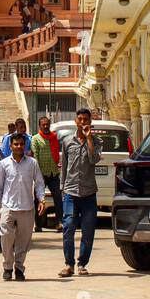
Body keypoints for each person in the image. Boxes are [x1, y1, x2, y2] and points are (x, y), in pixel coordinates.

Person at [0, 131, 45, 281]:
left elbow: (39, 183)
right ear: (11, 146)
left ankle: (19, 268)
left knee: (23, 242)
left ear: (25, 145)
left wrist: (42, 200)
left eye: (21, 144)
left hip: (27, 208)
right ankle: (7, 267)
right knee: (6, 238)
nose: (19, 146)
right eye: (16, 144)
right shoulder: (4, 164)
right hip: (8, 207)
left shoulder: (32, 163)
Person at [59, 108, 102, 277]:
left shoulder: (96, 141)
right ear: (75, 121)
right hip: (70, 192)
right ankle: (69, 264)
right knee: (68, 227)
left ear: (90, 122)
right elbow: (64, 166)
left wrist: (89, 137)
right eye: (80, 119)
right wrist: (63, 189)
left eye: (86, 119)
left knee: (88, 230)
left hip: (89, 193)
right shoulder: (67, 141)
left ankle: (82, 263)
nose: (83, 122)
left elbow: (93, 159)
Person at [31, 114, 63, 231]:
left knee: (58, 197)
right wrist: (38, 175)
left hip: (53, 173)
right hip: (41, 174)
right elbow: (35, 157)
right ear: (39, 126)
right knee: (39, 199)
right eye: (43, 125)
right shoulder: (35, 139)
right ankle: (38, 224)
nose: (45, 126)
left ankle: (59, 222)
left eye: (47, 124)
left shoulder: (54, 137)